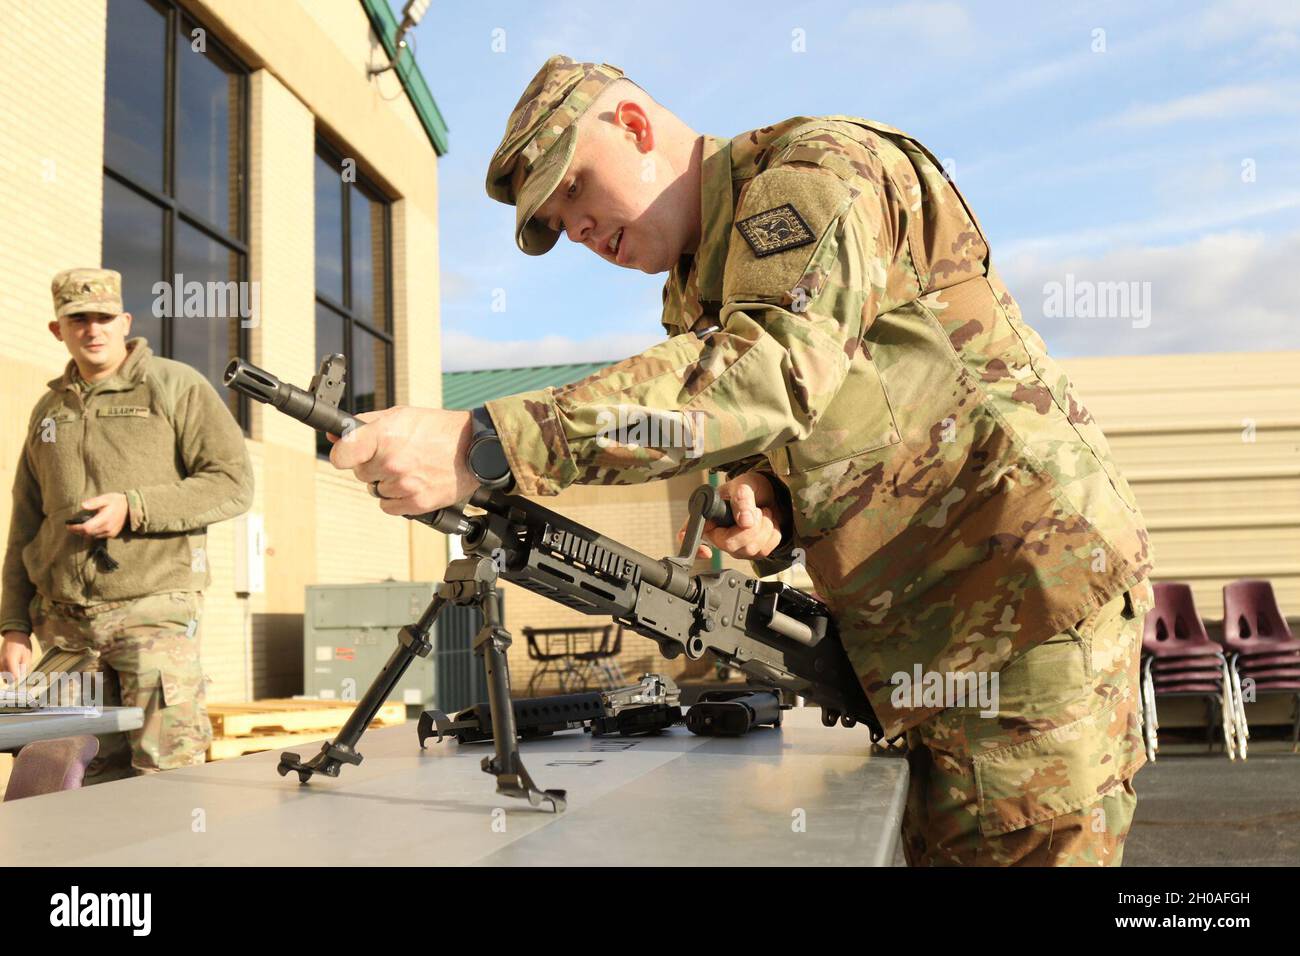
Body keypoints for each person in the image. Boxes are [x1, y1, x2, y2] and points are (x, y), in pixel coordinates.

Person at [328, 56, 1155, 866]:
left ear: (635, 123)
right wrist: (772, 499)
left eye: (572, 185)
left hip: (1019, 601)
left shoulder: (811, 172)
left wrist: (488, 444)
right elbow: (828, 412)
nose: (574, 228)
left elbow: (770, 374)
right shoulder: (701, 288)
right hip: (920, 641)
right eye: (554, 222)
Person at [0, 268, 253, 781]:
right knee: (68, 774)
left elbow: (232, 482)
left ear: (125, 321)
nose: (92, 329)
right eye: (78, 320)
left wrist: (134, 506)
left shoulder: (175, 385)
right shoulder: (48, 410)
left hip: (151, 614)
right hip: (66, 630)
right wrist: (13, 626)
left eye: (103, 318)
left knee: (166, 775)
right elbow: (25, 522)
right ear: (59, 330)